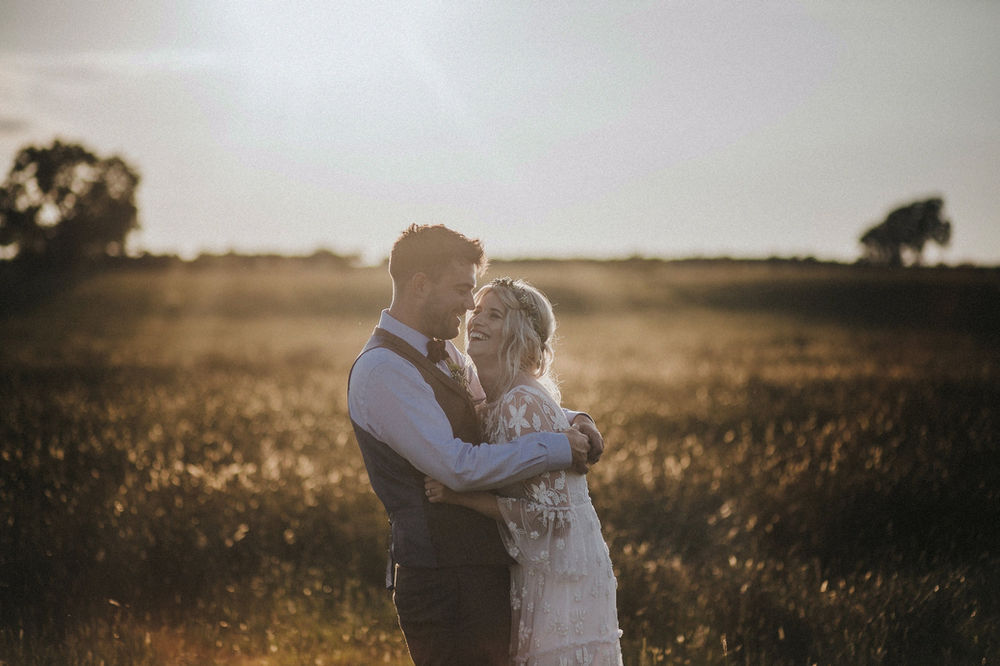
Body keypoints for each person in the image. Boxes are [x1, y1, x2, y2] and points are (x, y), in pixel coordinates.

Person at [347, 225, 605, 665]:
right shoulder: (383, 370)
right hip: (441, 583)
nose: (470, 305)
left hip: (481, 572)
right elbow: (457, 466)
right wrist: (559, 448)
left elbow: (499, 407)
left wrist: (575, 419)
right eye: (462, 289)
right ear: (420, 285)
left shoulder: (446, 353)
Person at [425, 277, 623, 665]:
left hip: (562, 575)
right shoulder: (495, 397)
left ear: (519, 333)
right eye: (478, 311)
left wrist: (462, 497)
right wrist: (580, 417)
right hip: (538, 568)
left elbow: (551, 519)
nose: (476, 320)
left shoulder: (521, 402)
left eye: (494, 315)